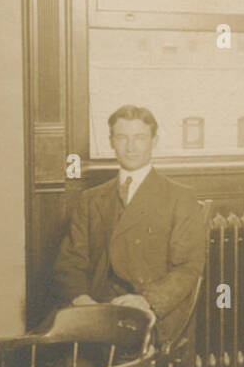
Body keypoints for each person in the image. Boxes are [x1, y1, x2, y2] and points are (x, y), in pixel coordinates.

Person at [51, 105, 206, 342]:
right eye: (122, 137)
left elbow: (188, 268)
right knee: (54, 355)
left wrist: (147, 301)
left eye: (140, 138)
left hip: (152, 313)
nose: (130, 147)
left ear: (155, 141)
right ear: (111, 141)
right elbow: (70, 262)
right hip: (98, 307)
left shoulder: (179, 197)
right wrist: (82, 300)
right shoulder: (91, 199)